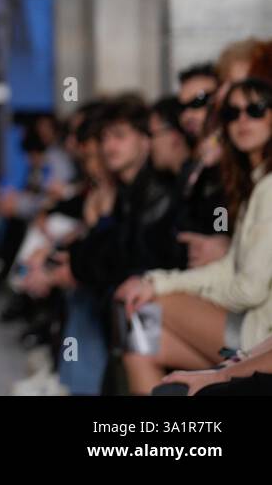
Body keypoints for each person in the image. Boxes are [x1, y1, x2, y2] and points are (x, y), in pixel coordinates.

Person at [116, 77, 272, 393]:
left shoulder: (269, 187)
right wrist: (159, 281)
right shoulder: (253, 183)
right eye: (231, 113)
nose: (242, 120)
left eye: (255, 110)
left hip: (259, 334)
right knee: (140, 344)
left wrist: (164, 287)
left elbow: (250, 290)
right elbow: (231, 268)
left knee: (140, 307)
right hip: (247, 322)